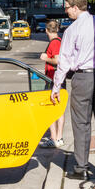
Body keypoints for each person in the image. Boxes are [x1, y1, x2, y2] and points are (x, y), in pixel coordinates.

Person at [51, 0, 95, 181]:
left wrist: (56, 86)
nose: (66, 12)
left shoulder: (72, 30)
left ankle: (81, 167)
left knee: (81, 123)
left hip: (82, 78)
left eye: (66, 8)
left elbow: (64, 61)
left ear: (75, 7)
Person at [39, 20, 65, 148]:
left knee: (51, 109)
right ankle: (58, 138)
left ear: (46, 30)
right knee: (59, 109)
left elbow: (57, 60)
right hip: (57, 79)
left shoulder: (54, 43)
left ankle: (54, 138)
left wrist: (45, 58)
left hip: (53, 80)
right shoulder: (59, 41)